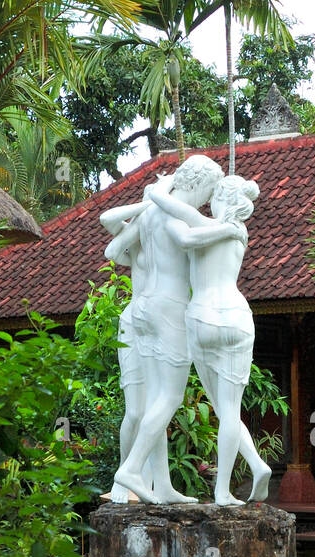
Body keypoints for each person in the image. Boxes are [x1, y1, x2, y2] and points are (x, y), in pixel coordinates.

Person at [99, 154, 230, 504]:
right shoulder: (178, 215)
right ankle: (129, 472)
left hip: (142, 308)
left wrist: (152, 198)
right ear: (200, 183)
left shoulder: (152, 213)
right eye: (210, 190)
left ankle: (162, 485)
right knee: (168, 397)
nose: (208, 200)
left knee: (153, 402)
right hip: (169, 309)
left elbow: (113, 248)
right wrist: (231, 229)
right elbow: (193, 240)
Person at [147, 174, 271, 506]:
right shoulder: (237, 232)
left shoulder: (199, 223)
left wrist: (164, 184)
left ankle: (250, 472)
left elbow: (161, 202)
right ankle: (227, 489)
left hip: (199, 319)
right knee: (229, 410)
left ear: (220, 200)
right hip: (234, 318)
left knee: (222, 409)